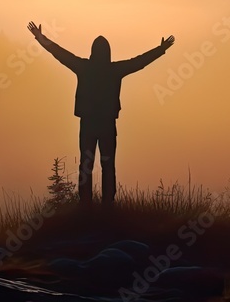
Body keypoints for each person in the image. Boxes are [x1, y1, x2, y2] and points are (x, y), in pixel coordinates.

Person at [28, 21, 175, 206]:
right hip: (107, 124)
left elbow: (59, 53)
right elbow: (139, 62)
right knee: (108, 164)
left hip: (88, 123)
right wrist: (160, 50)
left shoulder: (84, 67)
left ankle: (86, 203)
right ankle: (107, 203)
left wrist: (40, 39)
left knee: (85, 165)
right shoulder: (114, 70)